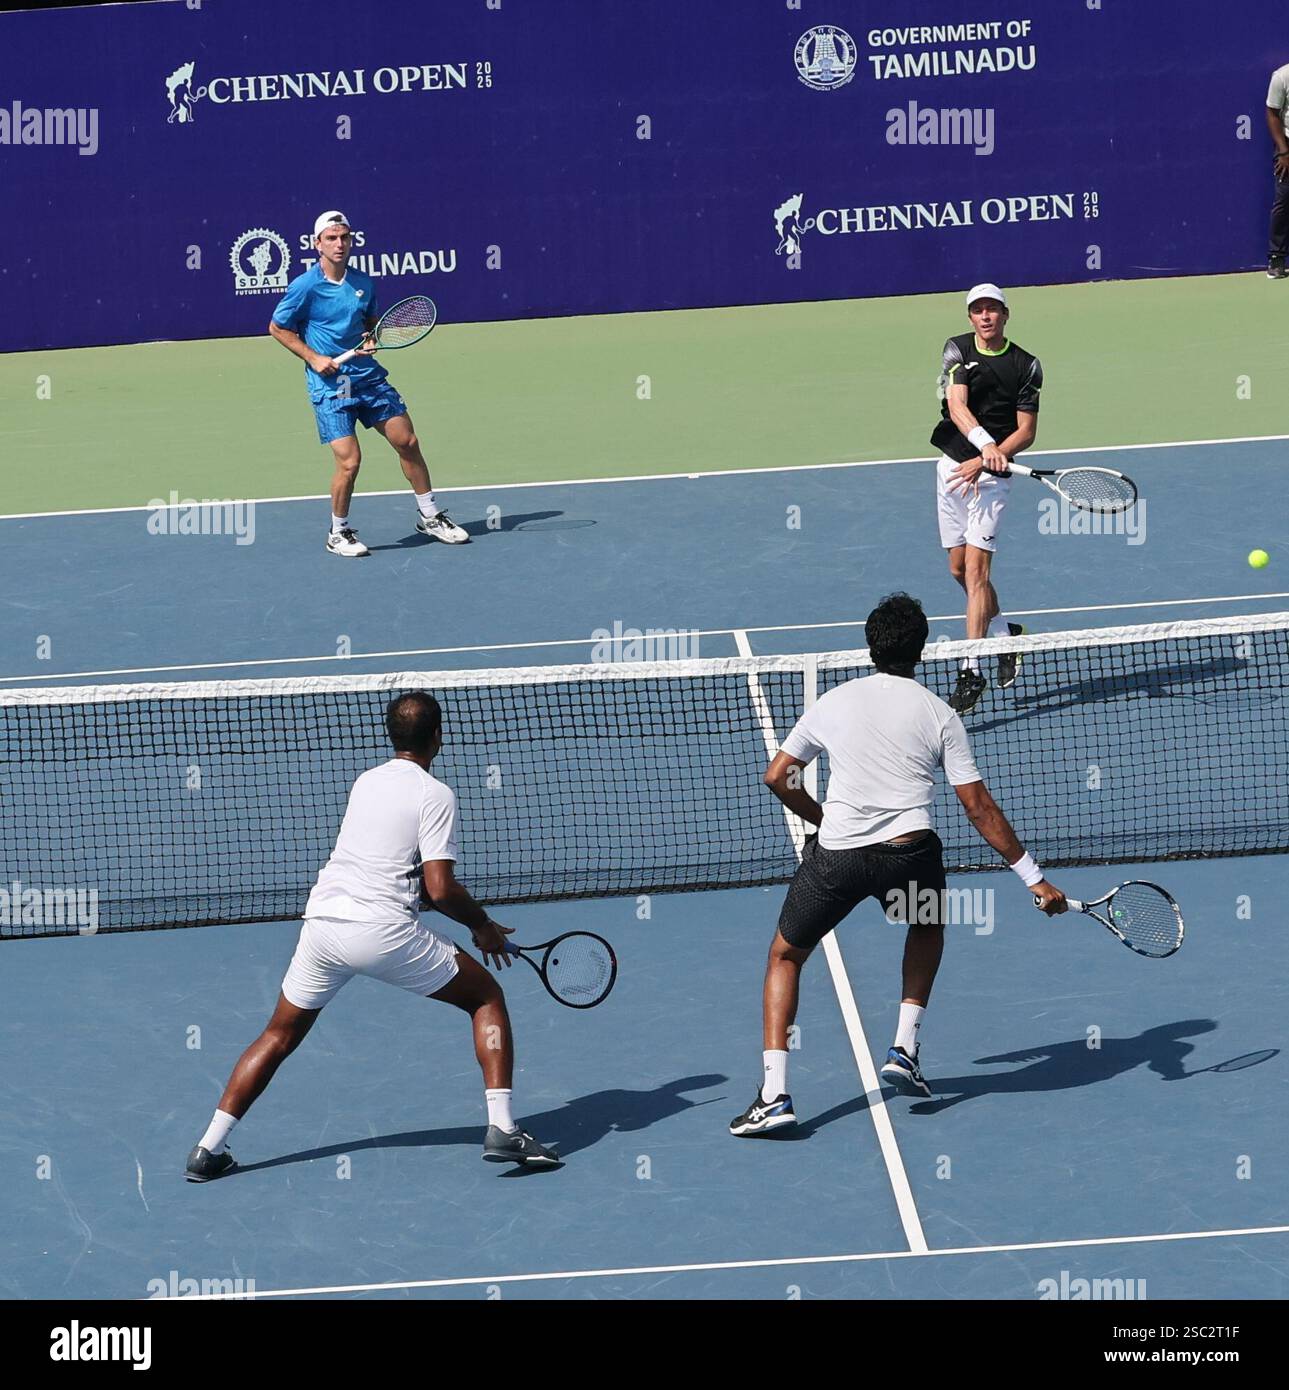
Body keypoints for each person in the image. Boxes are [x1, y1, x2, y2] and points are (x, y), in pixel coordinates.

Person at [729, 593, 1066, 1133]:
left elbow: (777, 776)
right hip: (908, 858)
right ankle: (904, 1046)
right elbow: (977, 806)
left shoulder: (833, 702)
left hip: (835, 859)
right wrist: (1035, 878)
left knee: (786, 956)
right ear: (922, 649)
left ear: (870, 645)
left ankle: (774, 1096)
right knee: (926, 929)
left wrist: (820, 817)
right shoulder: (940, 714)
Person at [186, 691, 558, 1179]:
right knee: (485, 997)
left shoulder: (366, 782)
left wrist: (468, 922)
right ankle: (503, 1129)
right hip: (381, 933)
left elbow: (398, 875)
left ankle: (208, 1149)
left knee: (279, 1033)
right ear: (439, 738)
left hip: (322, 926)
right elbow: (440, 888)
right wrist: (482, 926)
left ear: (392, 735)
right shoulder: (436, 794)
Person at [269, 211, 468, 557]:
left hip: (367, 377)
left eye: (344, 237)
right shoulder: (305, 287)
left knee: (407, 441)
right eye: (331, 238)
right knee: (350, 461)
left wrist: (372, 338)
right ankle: (338, 532)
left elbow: (372, 323)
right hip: (332, 387)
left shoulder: (364, 283)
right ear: (317, 244)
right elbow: (278, 327)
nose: (339, 244)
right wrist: (314, 358)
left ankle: (431, 516)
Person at [930, 283, 1043, 714]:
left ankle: (970, 670)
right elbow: (957, 408)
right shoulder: (956, 351)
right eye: (978, 310)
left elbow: (1026, 432)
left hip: (992, 481)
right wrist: (982, 448)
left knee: (977, 572)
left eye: (992, 309)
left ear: (1005, 314)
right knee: (957, 568)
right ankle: (1004, 634)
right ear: (970, 317)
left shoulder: (1027, 365)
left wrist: (994, 457)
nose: (985, 316)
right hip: (952, 469)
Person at [1265, 63, 1289, 278]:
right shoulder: (1282, 76)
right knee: (1284, 200)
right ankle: (1276, 259)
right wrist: (1283, 151)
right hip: (1288, 147)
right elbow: (1273, 113)